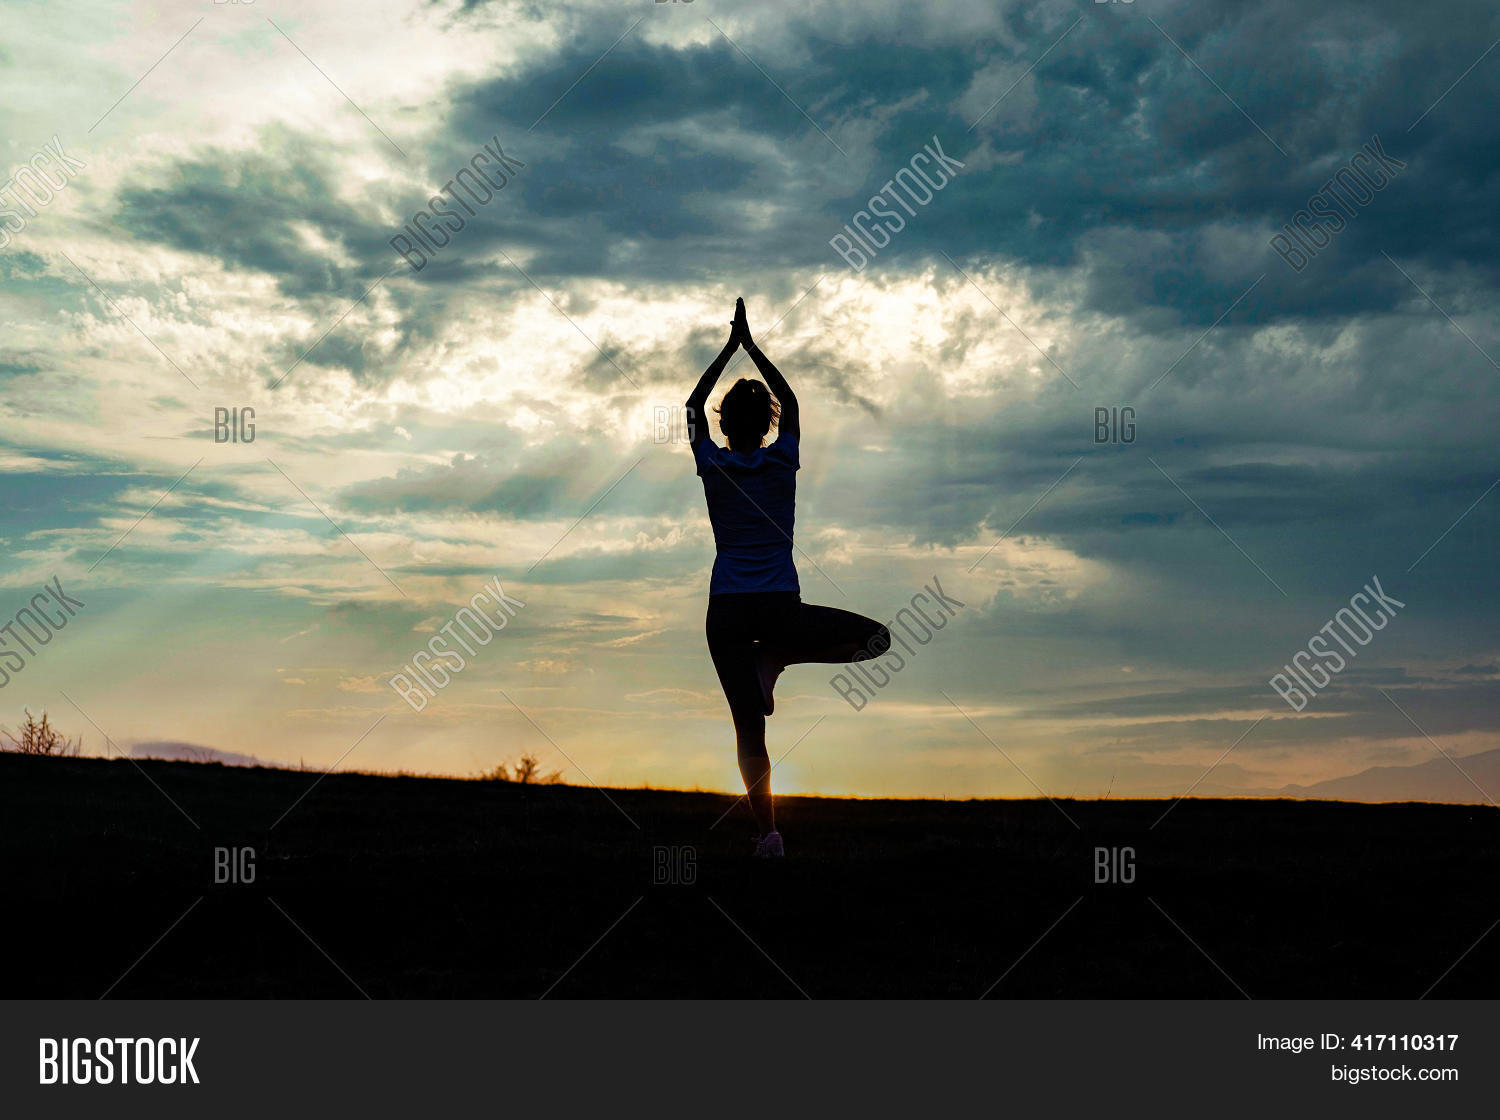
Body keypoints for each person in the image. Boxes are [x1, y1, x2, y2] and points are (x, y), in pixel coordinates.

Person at [686, 298, 891, 858]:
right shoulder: (784, 460)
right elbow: (794, 401)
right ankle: (779, 657)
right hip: (779, 605)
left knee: (748, 729)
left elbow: (691, 406)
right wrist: (753, 347)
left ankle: (768, 835)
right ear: (770, 421)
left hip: (727, 608)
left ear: (725, 425)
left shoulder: (713, 463)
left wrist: (729, 349)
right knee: (880, 639)